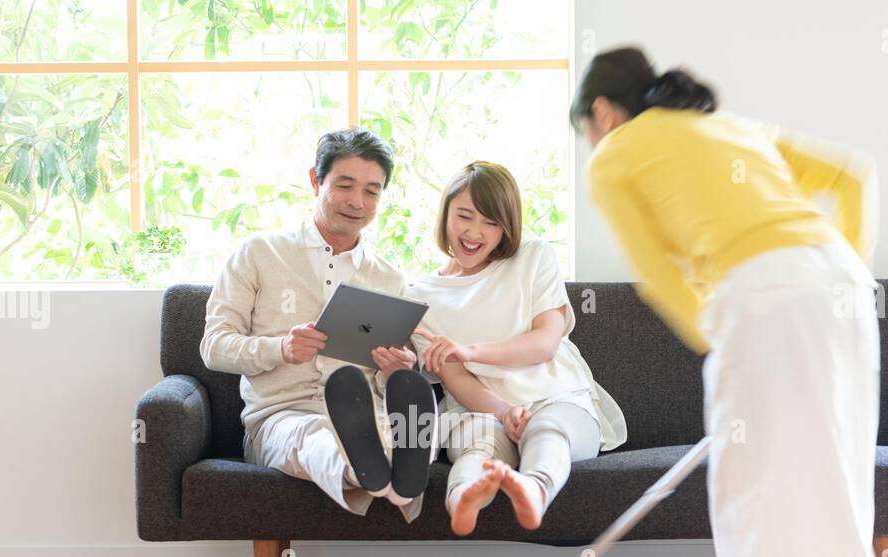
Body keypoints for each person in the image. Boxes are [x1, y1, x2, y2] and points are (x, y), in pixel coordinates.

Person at [575, 46, 888, 557]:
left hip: (767, 298)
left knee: (768, 490)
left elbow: (657, 274)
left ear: (602, 113)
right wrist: (835, 281)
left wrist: (724, 337)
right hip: (836, 286)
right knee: (782, 477)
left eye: (586, 130)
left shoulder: (614, 153)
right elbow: (854, 173)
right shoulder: (729, 128)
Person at [200, 128, 439, 522]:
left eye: (372, 191)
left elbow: (390, 373)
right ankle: (378, 471)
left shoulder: (389, 279)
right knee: (314, 440)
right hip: (283, 416)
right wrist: (280, 348)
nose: (357, 202)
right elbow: (214, 347)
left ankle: (385, 463)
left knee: (402, 417)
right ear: (315, 180)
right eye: (345, 185)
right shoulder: (260, 253)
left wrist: (393, 371)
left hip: (368, 408)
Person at [406, 161, 627, 536]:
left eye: (491, 223)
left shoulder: (534, 256)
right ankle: (463, 500)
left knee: (547, 429)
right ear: (445, 215)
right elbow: (455, 377)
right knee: (479, 447)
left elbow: (544, 343)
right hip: (483, 410)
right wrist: (505, 412)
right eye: (464, 216)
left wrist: (470, 350)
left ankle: (534, 487)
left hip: (558, 397)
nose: (474, 233)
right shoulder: (420, 297)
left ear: (506, 227)